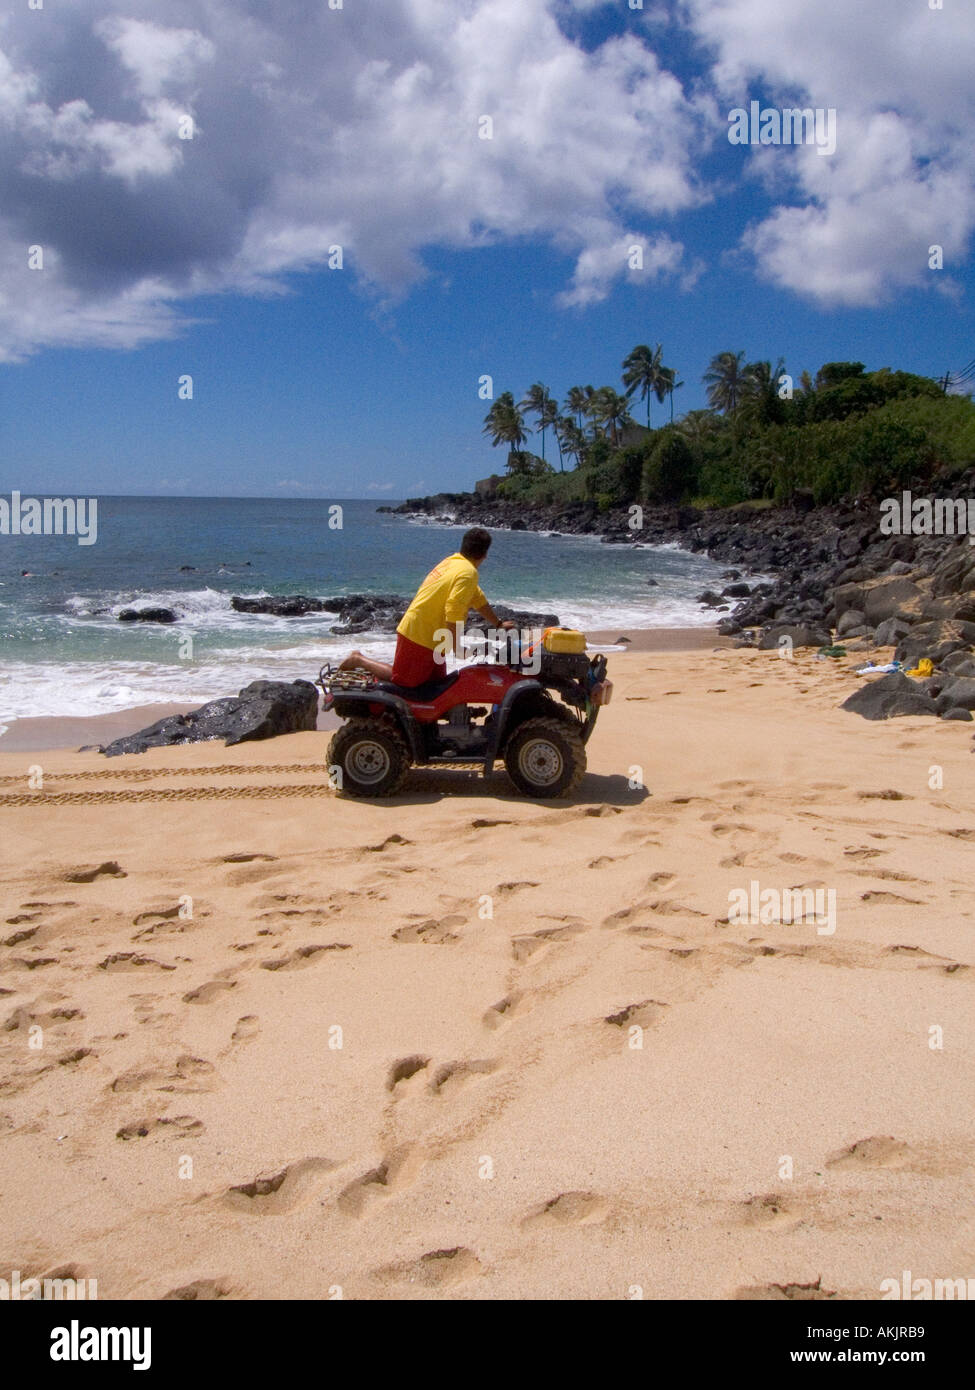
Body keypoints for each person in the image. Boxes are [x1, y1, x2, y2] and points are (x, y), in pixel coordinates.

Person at [339, 527, 515, 686]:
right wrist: (456, 647)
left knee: (437, 687)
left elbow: (478, 599)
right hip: (420, 635)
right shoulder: (468, 573)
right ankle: (358, 660)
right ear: (484, 554)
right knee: (403, 680)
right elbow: (453, 610)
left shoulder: (453, 562)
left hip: (432, 638)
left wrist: (498, 624)